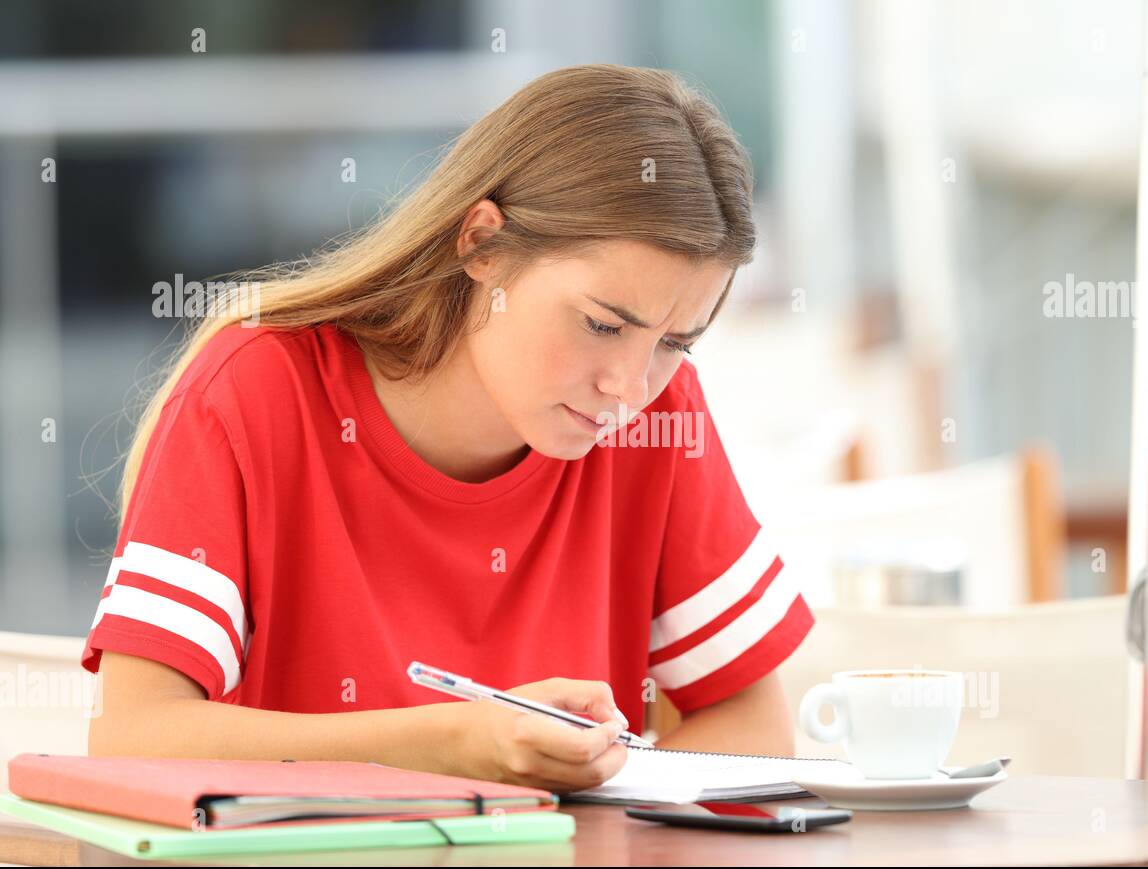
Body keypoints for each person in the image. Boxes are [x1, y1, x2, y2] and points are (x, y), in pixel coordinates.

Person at [81, 64, 815, 794]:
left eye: (674, 343)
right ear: (483, 246)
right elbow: (136, 740)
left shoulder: (659, 416)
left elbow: (756, 731)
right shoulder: (254, 390)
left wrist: (576, 790)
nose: (627, 387)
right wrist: (455, 743)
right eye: (601, 323)